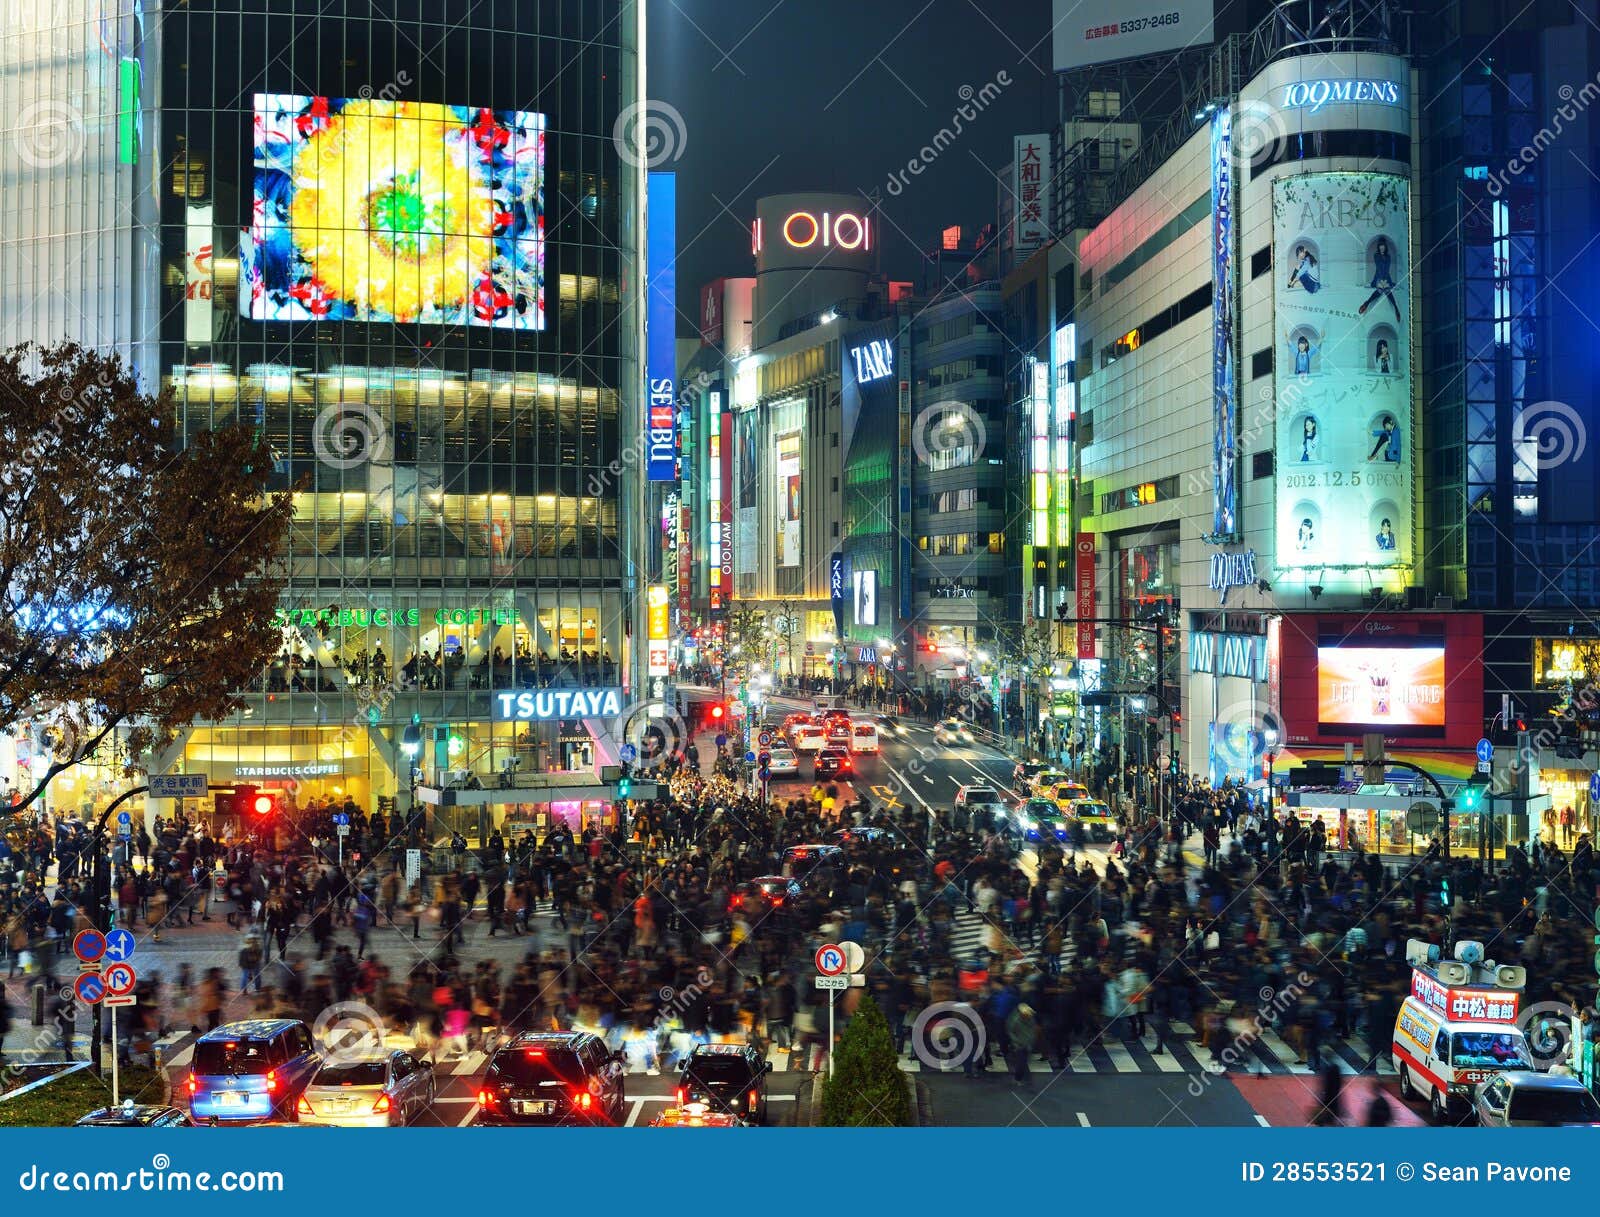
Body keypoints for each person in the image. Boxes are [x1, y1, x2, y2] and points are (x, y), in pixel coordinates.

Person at [1358, 237, 1402, 320]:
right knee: (1381, 290)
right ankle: (1367, 304)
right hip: (1379, 277)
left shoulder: (1388, 256)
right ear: (1379, 247)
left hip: (1386, 277)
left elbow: (1387, 268)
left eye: (1383, 247)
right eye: (1380, 247)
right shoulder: (1376, 256)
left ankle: (1396, 308)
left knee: (1387, 291)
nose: (1382, 248)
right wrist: (1379, 280)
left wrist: (1386, 280)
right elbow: (1379, 268)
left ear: (1385, 247)